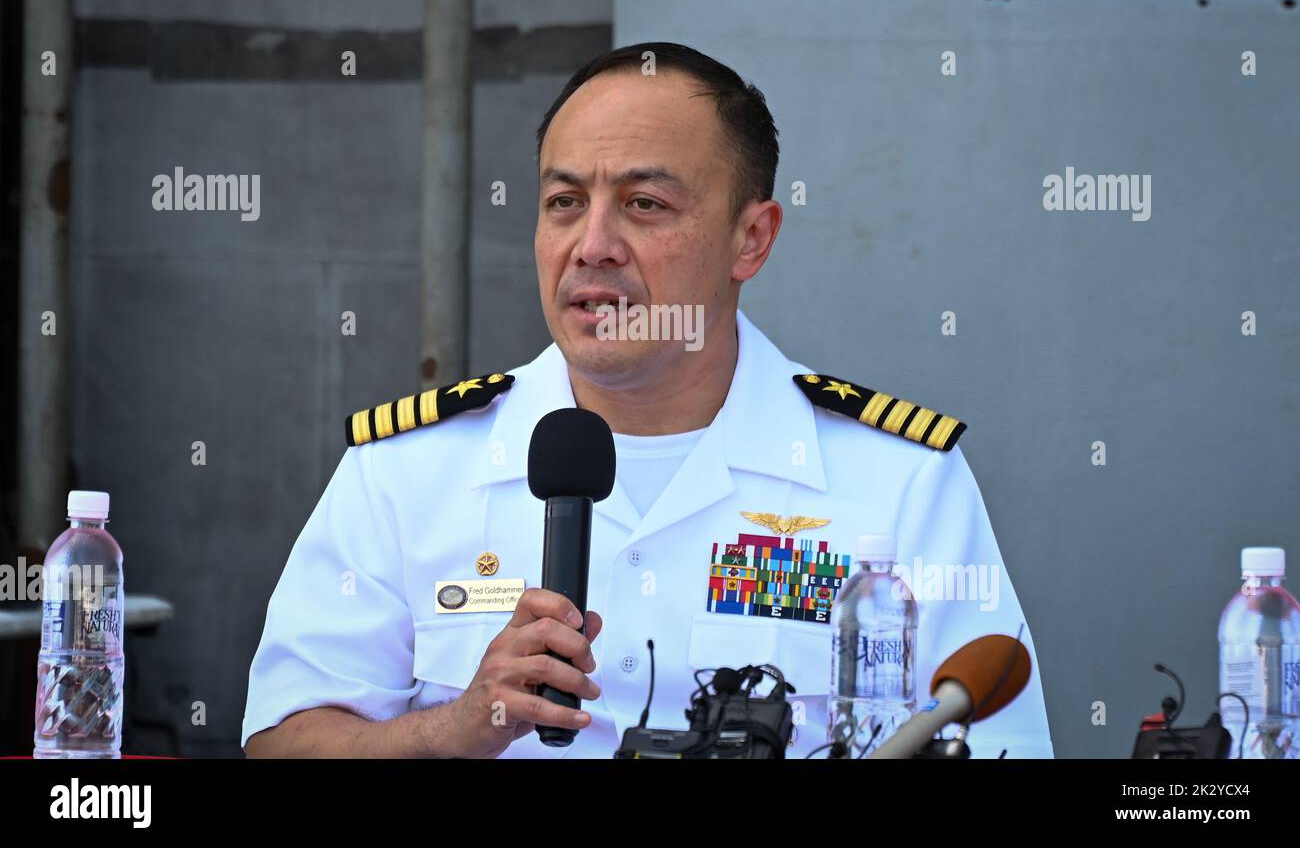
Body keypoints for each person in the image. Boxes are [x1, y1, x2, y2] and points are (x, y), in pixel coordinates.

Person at [242, 42, 1053, 758]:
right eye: (564, 202)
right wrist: (456, 730)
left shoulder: (899, 481)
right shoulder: (406, 471)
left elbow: (991, 739)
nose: (592, 246)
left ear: (753, 239)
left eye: (645, 204)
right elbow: (286, 738)